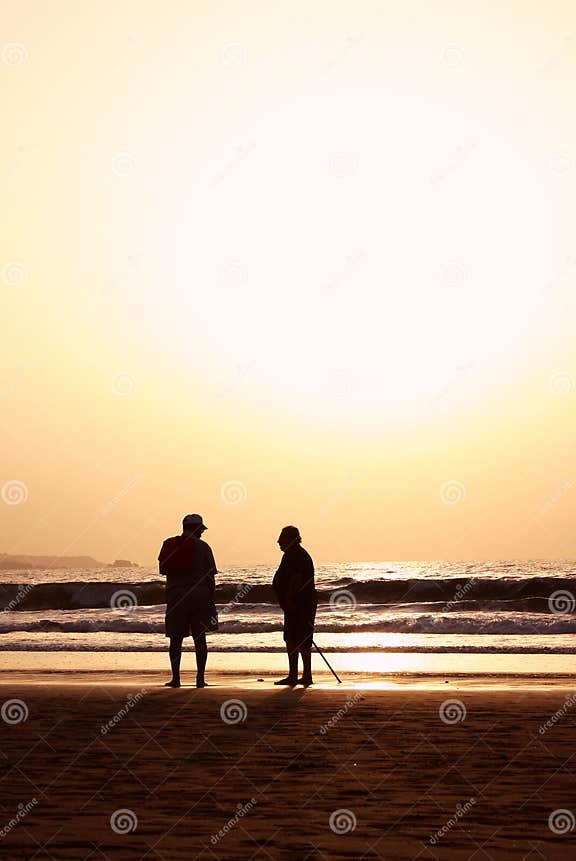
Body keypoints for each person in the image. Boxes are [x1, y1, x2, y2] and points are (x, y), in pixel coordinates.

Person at [158, 513, 218, 688]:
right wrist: (211, 599)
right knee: (200, 638)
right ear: (198, 529)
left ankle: (176, 679)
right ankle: (200, 679)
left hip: (176, 596)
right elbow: (210, 576)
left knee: (175, 639)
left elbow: (164, 571)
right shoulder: (203, 547)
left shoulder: (169, 544)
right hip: (199, 596)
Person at [272, 525, 317, 686]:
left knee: (299, 638)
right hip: (300, 602)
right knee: (293, 637)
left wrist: (290, 599)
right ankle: (298, 674)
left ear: (290, 539)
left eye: (281, 538)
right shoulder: (292, 554)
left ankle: (302, 675)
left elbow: (296, 579)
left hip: (300, 603)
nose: (278, 541)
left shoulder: (295, 555)